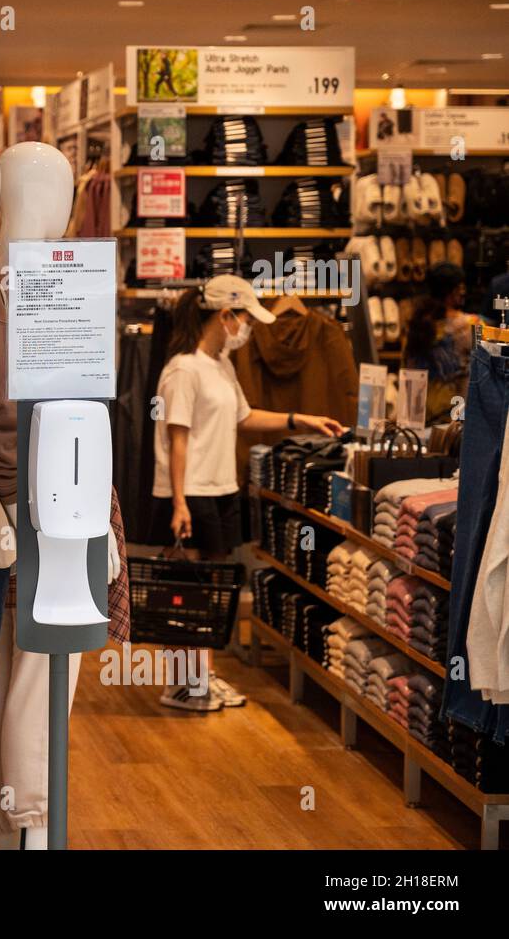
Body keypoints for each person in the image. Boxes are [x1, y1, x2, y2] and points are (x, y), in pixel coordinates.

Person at [151, 275, 344, 712]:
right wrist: (179, 502)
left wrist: (303, 420)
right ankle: (180, 683)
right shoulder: (183, 369)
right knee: (191, 591)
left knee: (212, 589)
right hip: (192, 492)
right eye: (244, 319)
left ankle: (200, 676)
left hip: (220, 488)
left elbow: (245, 417)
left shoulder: (221, 365)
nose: (247, 329)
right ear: (225, 316)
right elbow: (176, 438)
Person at [404, 261, 481, 424]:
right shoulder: (471, 325)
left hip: (420, 415)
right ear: (452, 291)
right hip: (456, 416)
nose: (464, 292)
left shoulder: (417, 325)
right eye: (461, 287)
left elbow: (407, 371)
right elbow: (485, 371)